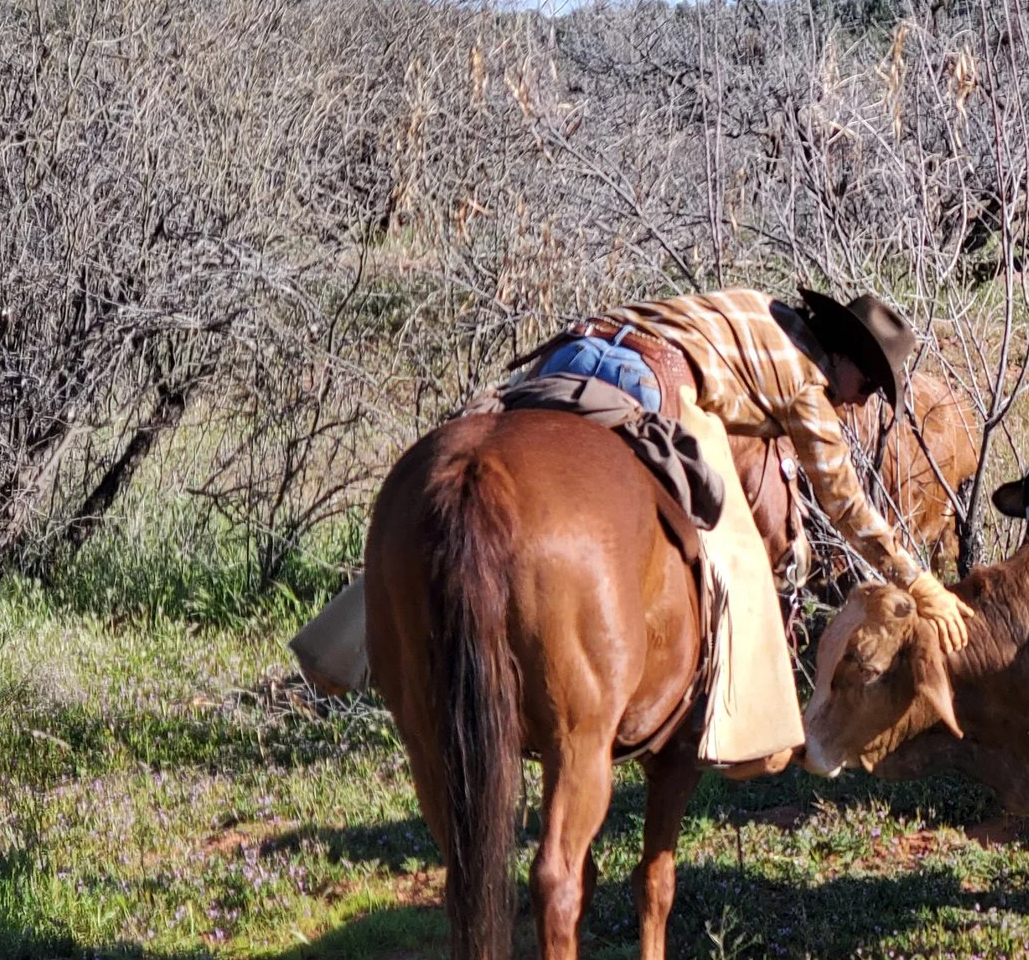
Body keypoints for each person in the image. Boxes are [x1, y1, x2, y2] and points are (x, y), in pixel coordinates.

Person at [289, 287, 972, 773]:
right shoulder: (808, 385)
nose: (860, 401)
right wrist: (917, 580)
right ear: (845, 358)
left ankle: (344, 645)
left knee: (464, 480)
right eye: (867, 385)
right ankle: (745, 727)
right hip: (647, 380)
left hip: (575, 349)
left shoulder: (761, 309)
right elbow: (843, 500)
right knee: (727, 545)